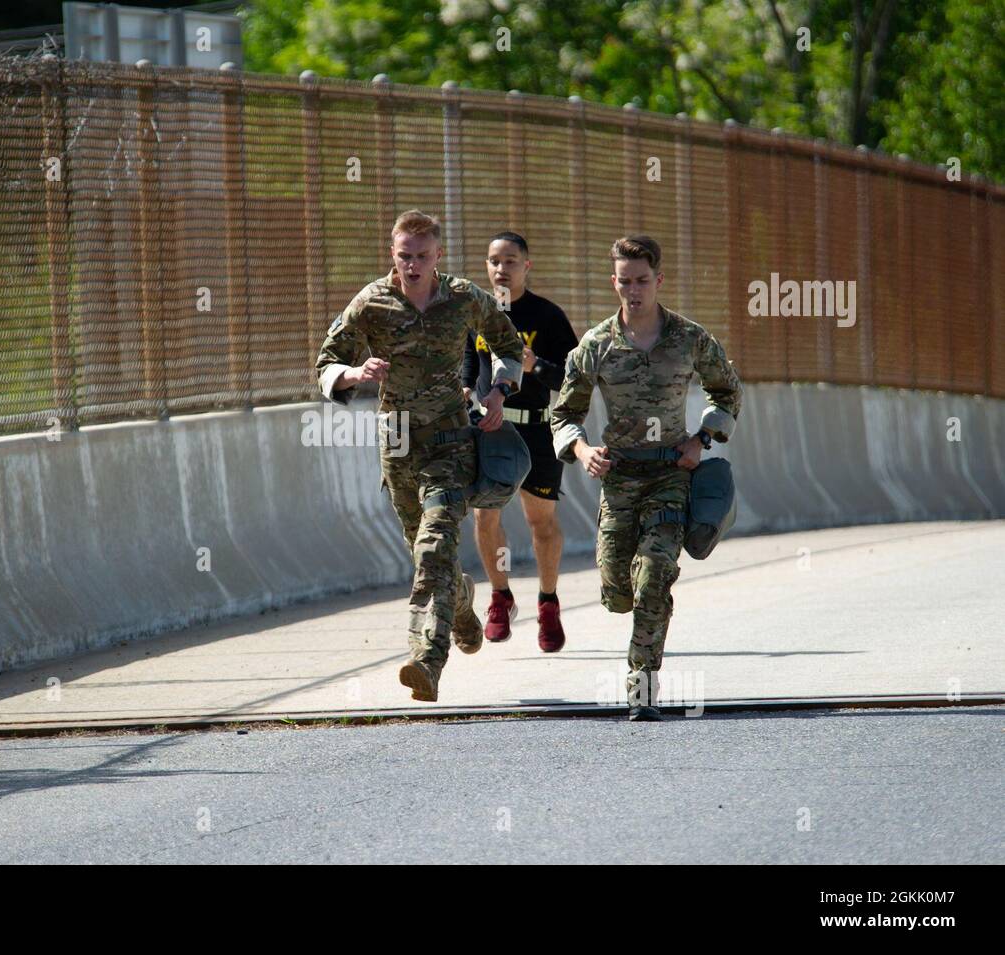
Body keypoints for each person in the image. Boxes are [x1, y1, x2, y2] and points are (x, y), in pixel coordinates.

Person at [315, 210, 525, 703]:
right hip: (398, 443)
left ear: (438, 256)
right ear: (394, 254)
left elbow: (507, 344)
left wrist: (497, 391)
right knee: (425, 552)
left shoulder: (462, 297)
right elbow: (326, 363)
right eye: (405, 256)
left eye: (422, 256)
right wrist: (355, 373)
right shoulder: (371, 303)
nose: (413, 265)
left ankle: (426, 661)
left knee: (433, 549)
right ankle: (463, 607)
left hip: (450, 440)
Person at [551, 235, 742, 721]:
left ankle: (642, 687)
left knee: (655, 574)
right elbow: (564, 413)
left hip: (671, 472)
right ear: (613, 281)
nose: (633, 291)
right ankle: (630, 596)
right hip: (619, 477)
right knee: (618, 591)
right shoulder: (595, 346)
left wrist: (702, 440)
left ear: (658, 280)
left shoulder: (689, 339)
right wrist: (581, 447)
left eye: (642, 281)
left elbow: (727, 391)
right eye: (624, 281)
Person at [461, 232, 579, 651]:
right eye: (494, 261)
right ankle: (500, 597)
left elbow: (572, 377)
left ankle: (547, 603)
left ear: (525, 266)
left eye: (510, 261)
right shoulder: (477, 313)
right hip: (489, 430)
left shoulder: (546, 316)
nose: (501, 269)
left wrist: (536, 366)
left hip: (535, 430)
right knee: (485, 517)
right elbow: (468, 364)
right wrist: (463, 393)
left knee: (540, 523)